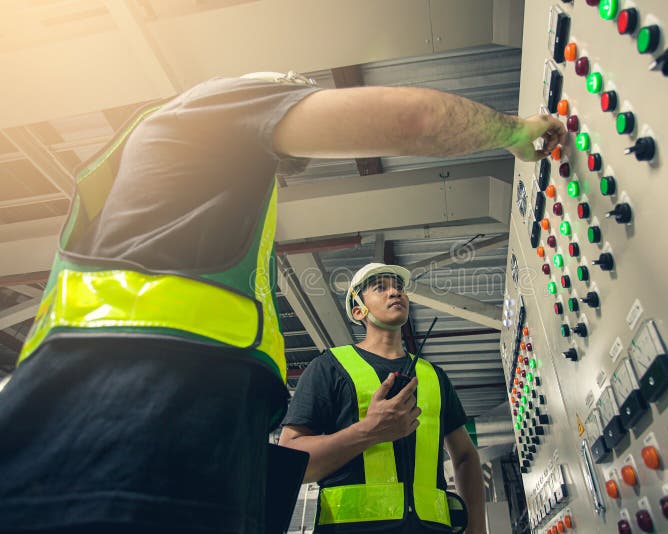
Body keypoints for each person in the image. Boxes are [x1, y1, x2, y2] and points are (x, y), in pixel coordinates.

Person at [0, 70, 566, 534]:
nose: (394, 291)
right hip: (125, 456)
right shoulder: (221, 105)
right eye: (295, 88)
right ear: (356, 307)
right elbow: (413, 119)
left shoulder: (166, 196)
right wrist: (516, 133)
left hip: (146, 455)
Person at [279, 263, 483, 533]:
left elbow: (466, 456)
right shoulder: (329, 367)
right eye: (380, 288)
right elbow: (292, 463)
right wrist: (369, 431)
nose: (395, 293)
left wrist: (477, 530)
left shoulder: (434, 376)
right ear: (358, 310)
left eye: (399, 288)